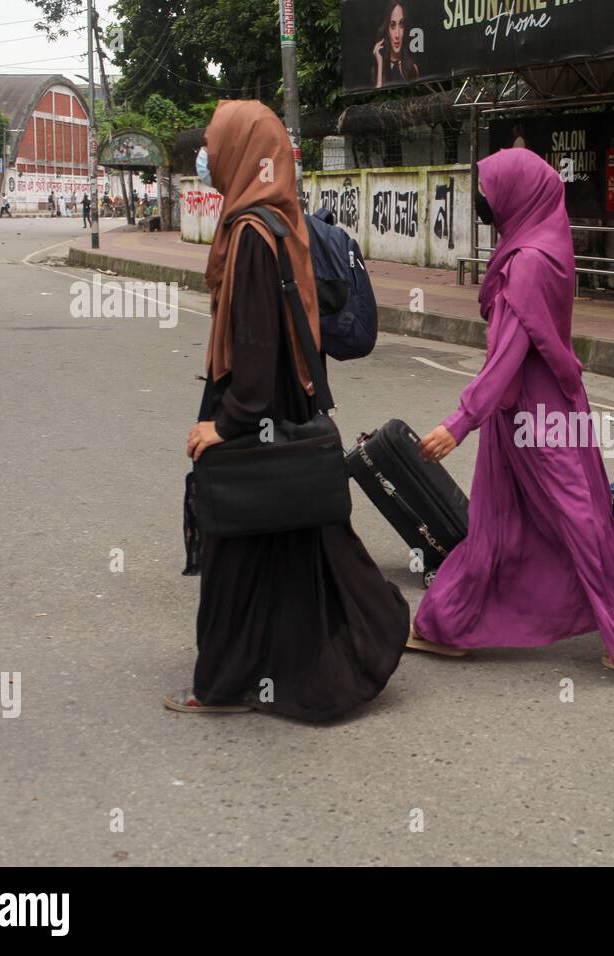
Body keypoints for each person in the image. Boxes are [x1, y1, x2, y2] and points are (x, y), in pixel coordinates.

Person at [168, 99, 410, 720]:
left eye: (216, 142)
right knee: (298, 539)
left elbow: (256, 342)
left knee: (236, 544)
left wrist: (227, 424)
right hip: (285, 401)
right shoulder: (279, 217)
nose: (208, 155)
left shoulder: (251, 232)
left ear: (243, 152)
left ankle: (225, 684)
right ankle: (348, 639)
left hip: (258, 404)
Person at [409, 148, 614, 671]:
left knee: (577, 518)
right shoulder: (545, 241)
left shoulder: (529, 262)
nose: (484, 201)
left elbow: (510, 352)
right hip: (530, 412)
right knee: (497, 520)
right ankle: (448, 622)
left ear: (518, 194)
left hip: (535, 416)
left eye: (490, 192)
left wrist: (459, 422)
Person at [371, 3, 420, 88]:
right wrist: (380, 63)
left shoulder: (412, 68)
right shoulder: (376, 70)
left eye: (401, 25)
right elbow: (378, 95)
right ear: (387, 30)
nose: (397, 35)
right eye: (392, 26)